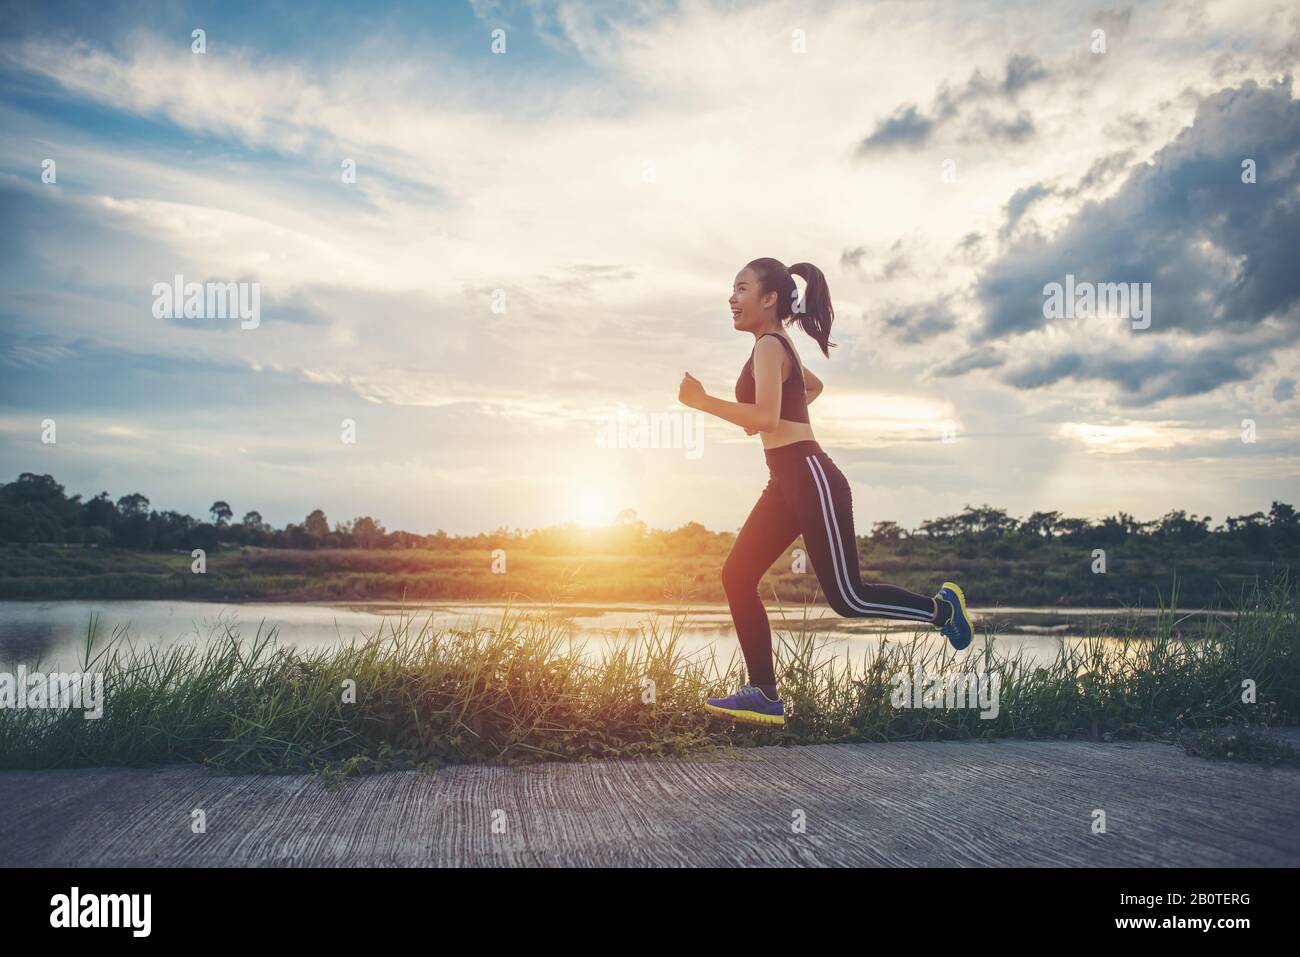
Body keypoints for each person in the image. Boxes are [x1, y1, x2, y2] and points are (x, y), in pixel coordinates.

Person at [677, 257, 972, 727]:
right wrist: (773, 415)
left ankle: (942, 610)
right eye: (731, 290)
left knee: (848, 598)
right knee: (737, 576)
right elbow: (809, 387)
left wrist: (703, 403)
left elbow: (768, 418)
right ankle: (764, 694)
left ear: (769, 298)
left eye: (741, 288)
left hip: (811, 476)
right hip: (785, 482)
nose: (732, 298)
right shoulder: (773, 347)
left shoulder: (771, 346)